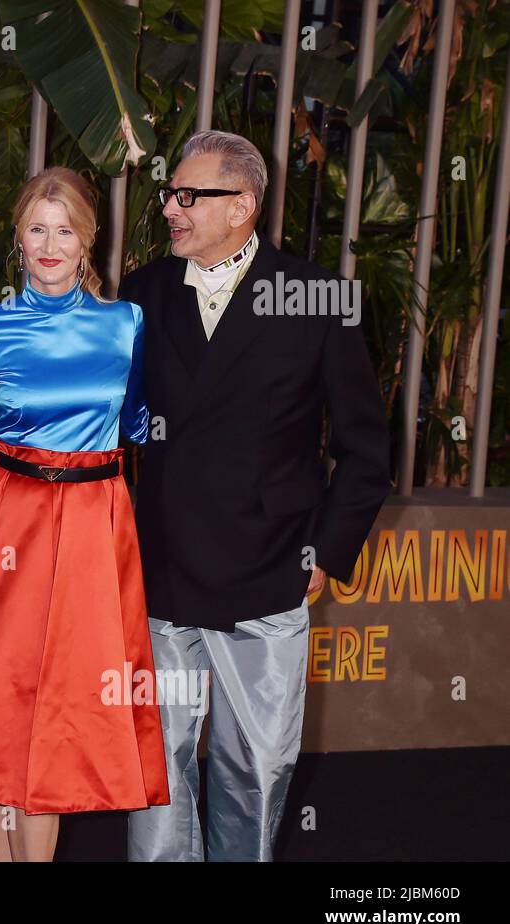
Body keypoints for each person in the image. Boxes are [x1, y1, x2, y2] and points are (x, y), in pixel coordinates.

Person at [118, 130, 392, 862]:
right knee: (156, 771)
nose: (170, 208)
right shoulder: (142, 293)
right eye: (169, 193)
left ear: (241, 205)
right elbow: (112, 425)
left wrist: (326, 554)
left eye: (188, 195)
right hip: (163, 571)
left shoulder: (317, 297)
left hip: (268, 569)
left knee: (254, 773)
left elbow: (365, 450)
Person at [0, 167, 169, 862]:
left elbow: (138, 422)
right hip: (3, 523)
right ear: (18, 237)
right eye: (37, 229)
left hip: (91, 525)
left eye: (66, 230)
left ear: (88, 243)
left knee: (60, 717)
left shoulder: (125, 324)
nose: (51, 244)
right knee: (2, 707)